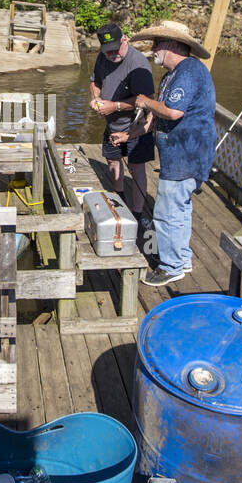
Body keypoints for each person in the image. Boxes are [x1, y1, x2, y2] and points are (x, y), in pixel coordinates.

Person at [110, 21, 216, 286]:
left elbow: (173, 112)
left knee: (166, 212)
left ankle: (170, 266)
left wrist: (144, 101)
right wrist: (129, 135)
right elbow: (157, 116)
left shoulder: (189, 71)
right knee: (179, 209)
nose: (153, 48)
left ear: (172, 45)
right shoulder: (171, 75)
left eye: (157, 43)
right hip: (178, 155)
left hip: (186, 155)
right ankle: (183, 259)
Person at [89, 24, 154, 217]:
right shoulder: (103, 57)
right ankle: (118, 199)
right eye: (107, 51)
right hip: (112, 124)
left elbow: (145, 99)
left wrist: (114, 106)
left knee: (136, 168)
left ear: (125, 39)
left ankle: (138, 212)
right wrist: (96, 98)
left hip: (136, 125)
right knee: (112, 160)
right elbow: (95, 81)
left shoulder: (139, 64)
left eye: (115, 49)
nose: (111, 54)